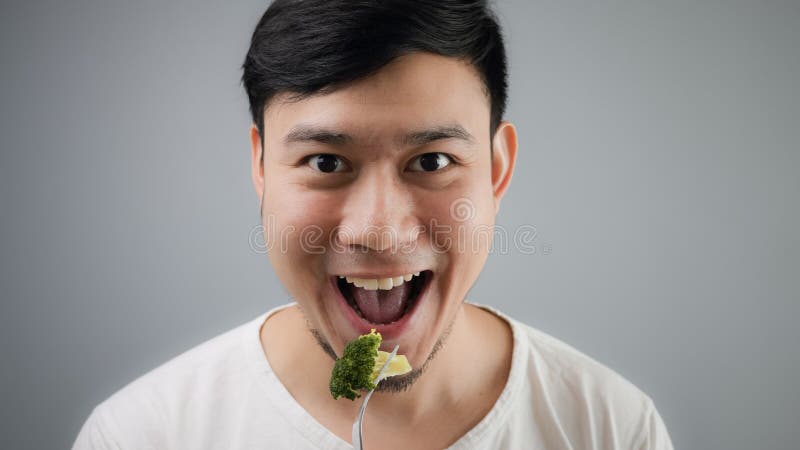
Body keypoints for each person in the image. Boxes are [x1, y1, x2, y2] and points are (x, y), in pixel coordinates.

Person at [74, 1, 674, 449]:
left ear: (496, 169)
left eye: (432, 162)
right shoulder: (144, 434)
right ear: (260, 166)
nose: (381, 232)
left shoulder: (611, 428)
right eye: (326, 162)